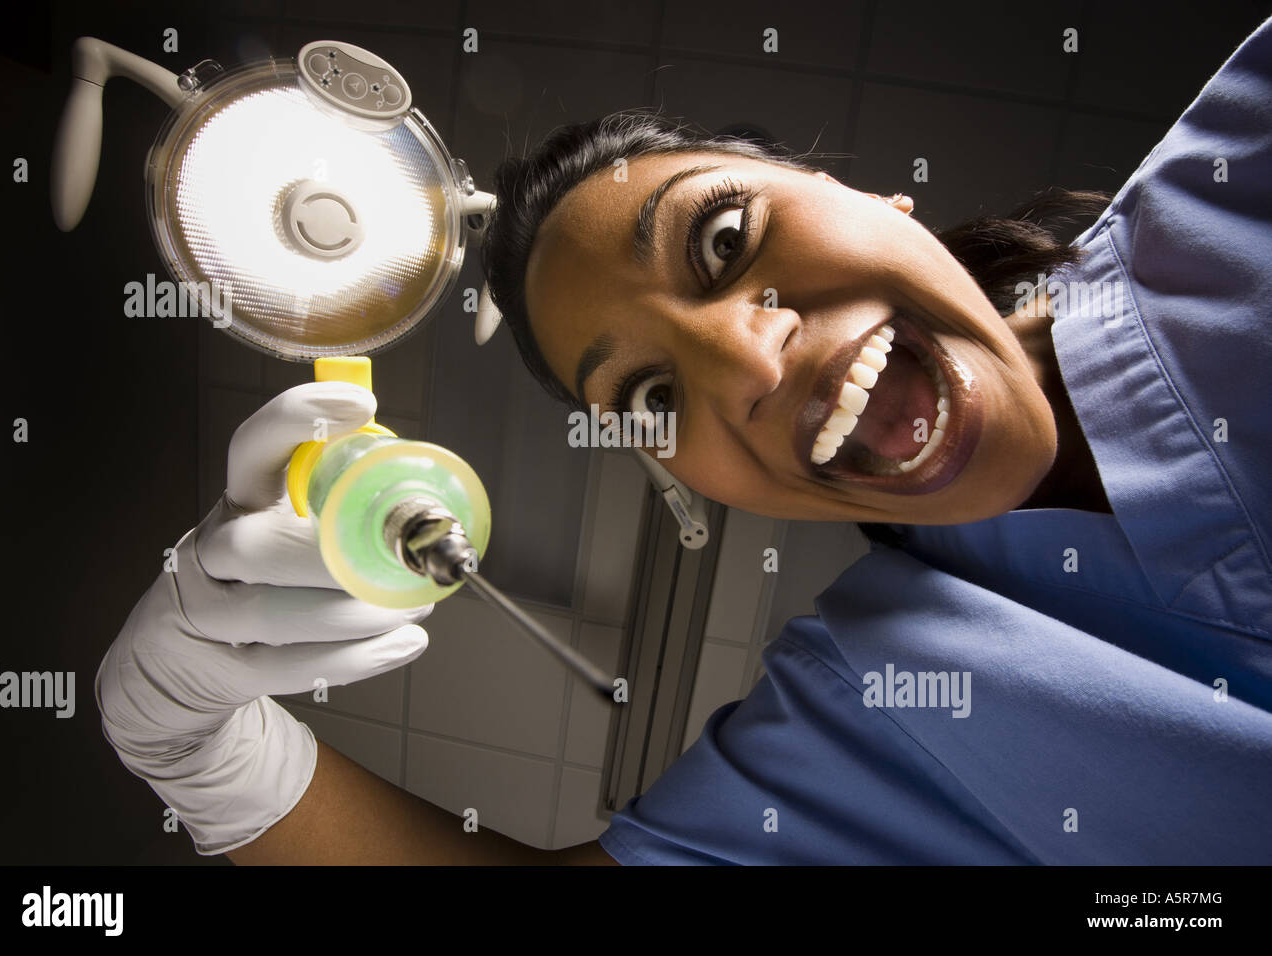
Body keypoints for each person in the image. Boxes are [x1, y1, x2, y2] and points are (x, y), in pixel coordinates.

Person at [95, 16, 1272, 864]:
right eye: (653, 394)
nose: (753, 365)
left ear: (866, 194)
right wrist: (206, 753)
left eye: (722, 241)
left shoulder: (1244, 176)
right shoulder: (884, 698)